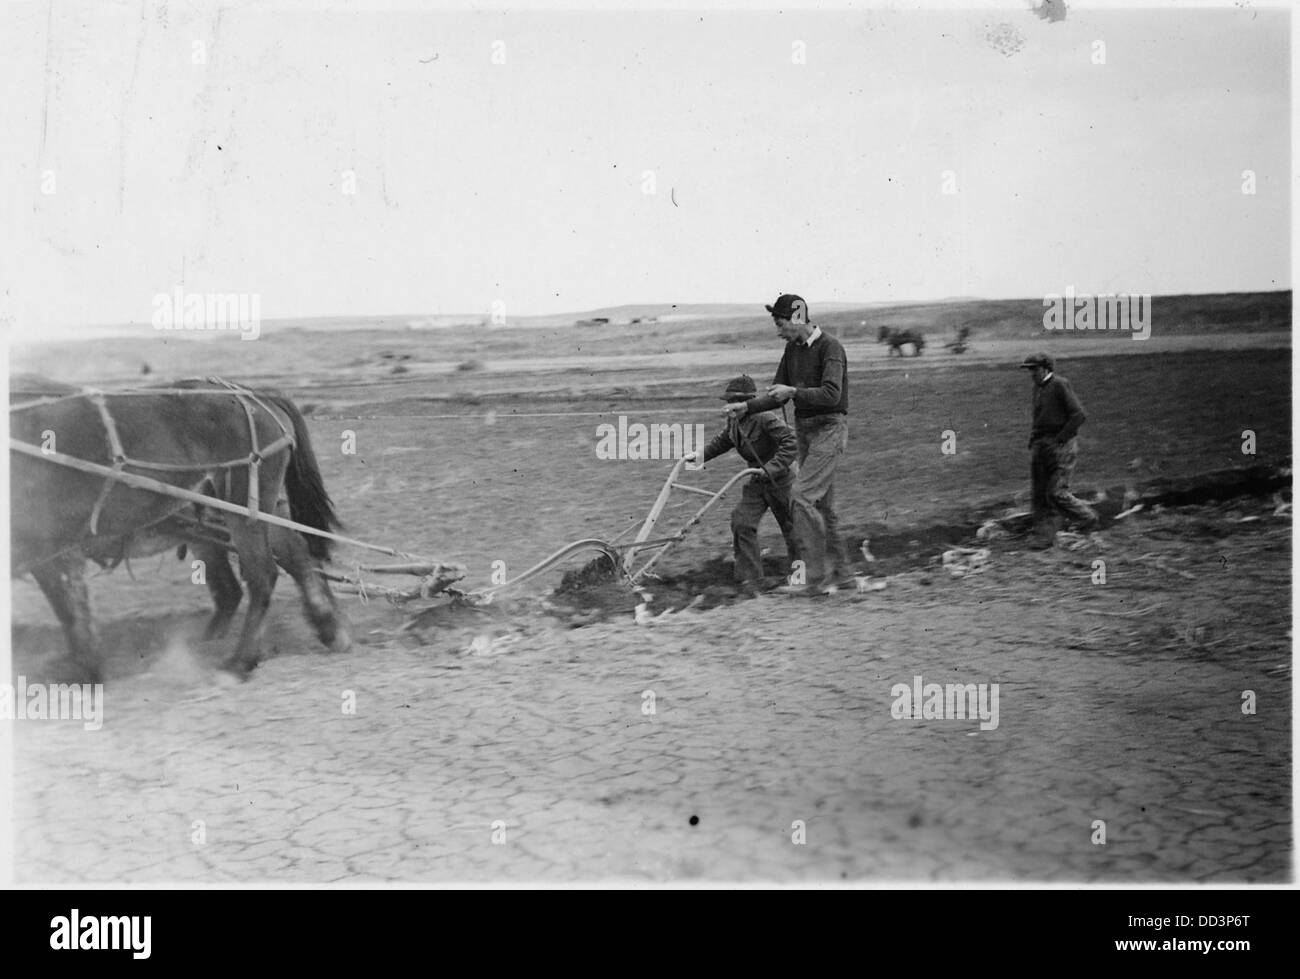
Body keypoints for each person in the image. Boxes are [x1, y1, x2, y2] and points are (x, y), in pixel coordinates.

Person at [725, 294, 850, 595]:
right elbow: (776, 394)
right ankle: (844, 577)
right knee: (824, 508)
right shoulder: (791, 350)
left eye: (781, 324)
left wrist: (794, 390)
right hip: (805, 429)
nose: (778, 331)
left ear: (796, 319)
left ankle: (814, 578)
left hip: (829, 428)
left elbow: (832, 395)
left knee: (802, 498)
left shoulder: (830, 347)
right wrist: (749, 408)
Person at [687, 375, 798, 593]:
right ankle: (752, 580)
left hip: (781, 480)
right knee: (742, 521)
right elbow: (724, 441)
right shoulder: (735, 421)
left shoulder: (765, 418)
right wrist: (699, 456)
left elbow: (792, 440)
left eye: (733, 401)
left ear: (746, 400)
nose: (729, 406)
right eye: (727, 402)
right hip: (758, 480)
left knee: (793, 529)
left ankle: (802, 576)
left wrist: (772, 467)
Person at [1019, 352, 1099, 547]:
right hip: (1040, 445)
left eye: (1035, 369)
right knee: (1040, 495)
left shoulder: (1060, 384)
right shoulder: (1037, 388)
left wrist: (1061, 439)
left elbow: (1078, 415)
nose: (1032, 373)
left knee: (1056, 493)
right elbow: (1038, 417)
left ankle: (1087, 518)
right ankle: (1043, 537)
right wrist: (1033, 438)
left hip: (1060, 447)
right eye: (1029, 370)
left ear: (1046, 368)